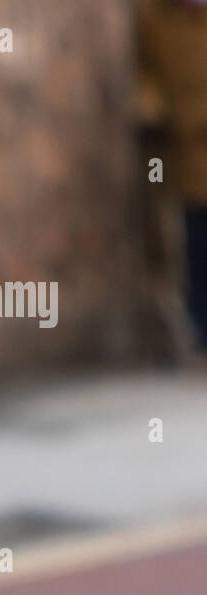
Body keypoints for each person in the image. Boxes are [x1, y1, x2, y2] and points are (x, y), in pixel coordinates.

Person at [138, 0, 207, 353]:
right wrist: (152, 108)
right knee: (196, 240)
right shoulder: (154, 17)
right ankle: (200, 330)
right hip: (186, 148)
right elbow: (143, 71)